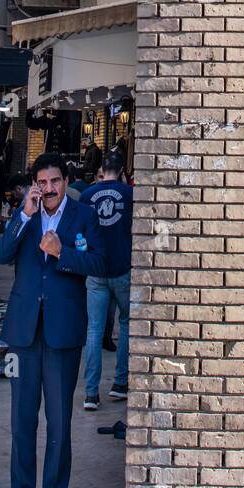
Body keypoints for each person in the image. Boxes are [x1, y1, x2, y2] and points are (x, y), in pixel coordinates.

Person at [0, 152, 105, 488]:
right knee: (22, 420)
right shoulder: (25, 217)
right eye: (41, 183)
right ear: (34, 186)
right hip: (24, 332)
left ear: (65, 181)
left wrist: (63, 253)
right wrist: (23, 215)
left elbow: (99, 263)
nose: (49, 189)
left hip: (63, 331)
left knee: (59, 421)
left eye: (54, 181)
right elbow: (0, 255)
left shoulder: (83, 216)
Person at [80, 150, 133, 409]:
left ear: (101, 171)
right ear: (122, 171)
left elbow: (80, 233)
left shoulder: (88, 196)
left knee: (94, 330)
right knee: (126, 324)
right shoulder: (129, 194)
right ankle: (120, 384)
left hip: (95, 271)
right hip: (122, 269)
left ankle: (91, 393)